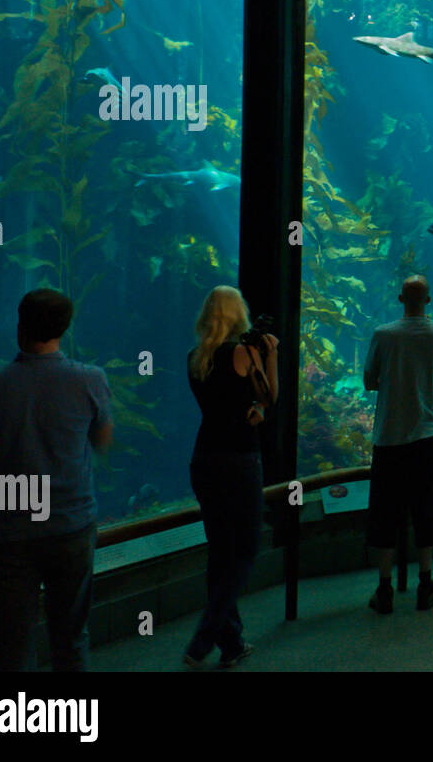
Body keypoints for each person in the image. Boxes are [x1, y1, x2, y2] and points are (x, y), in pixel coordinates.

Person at [0, 289, 113, 670]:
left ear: (19, 326)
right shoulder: (92, 380)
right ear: (65, 329)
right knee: (71, 638)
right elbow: (102, 442)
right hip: (73, 527)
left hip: (11, 536)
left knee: (12, 645)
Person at [183, 285, 277, 669]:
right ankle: (203, 639)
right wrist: (271, 355)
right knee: (246, 549)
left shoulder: (195, 358)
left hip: (205, 459)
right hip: (239, 459)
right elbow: (270, 396)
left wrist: (253, 407)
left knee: (221, 552)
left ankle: (232, 642)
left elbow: (228, 404)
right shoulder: (246, 352)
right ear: (239, 314)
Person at [363, 275, 433, 613]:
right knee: (425, 508)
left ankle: (384, 588)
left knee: (385, 511)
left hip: (388, 437)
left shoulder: (382, 335)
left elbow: (370, 380)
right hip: (426, 435)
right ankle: (426, 584)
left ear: (400, 298)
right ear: (428, 300)